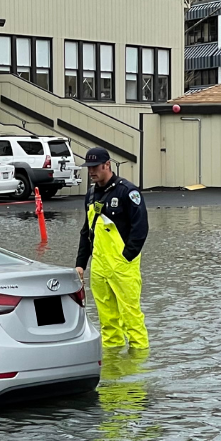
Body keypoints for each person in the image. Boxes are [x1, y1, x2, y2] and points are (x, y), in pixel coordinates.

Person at [74, 147, 149, 350]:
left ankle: (138, 369)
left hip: (123, 266)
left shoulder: (127, 191)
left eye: (95, 167)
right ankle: (113, 367)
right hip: (99, 267)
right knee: (107, 321)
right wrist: (81, 264)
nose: (91, 172)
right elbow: (87, 230)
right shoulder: (90, 195)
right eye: (88, 167)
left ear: (107, 165)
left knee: (131, 318)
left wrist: (126, 257)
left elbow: (140, 228)